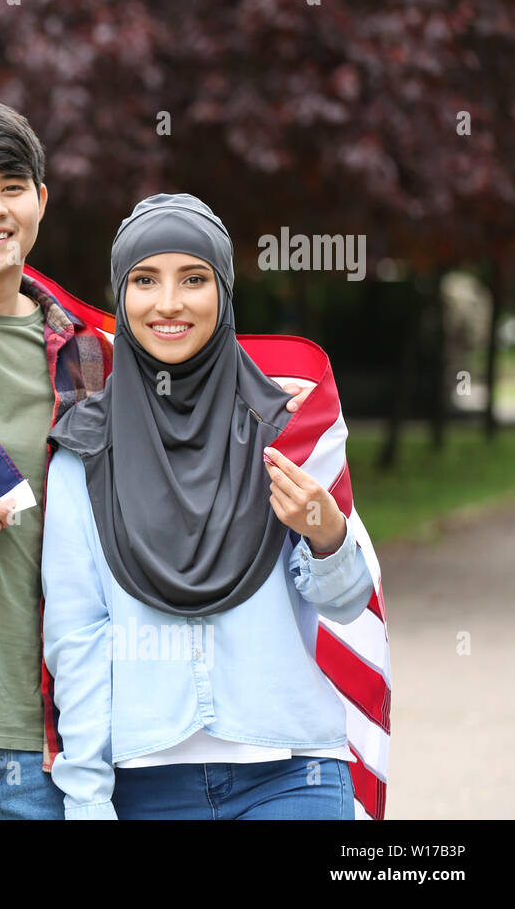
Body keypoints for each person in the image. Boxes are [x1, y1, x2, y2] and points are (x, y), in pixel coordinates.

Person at [0, 108, 313, 819]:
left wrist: (266, 411)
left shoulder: (93, 356)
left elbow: (196, 374)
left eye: (12, 186)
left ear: (41, 200)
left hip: (42, 747)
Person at [41, 193, 374, 819]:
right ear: (122, 296)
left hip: (290, 774)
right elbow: (76, 636)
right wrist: (87, 799)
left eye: (193, 279)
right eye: (145, 280)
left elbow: (348, 602)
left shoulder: (287, 425)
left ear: (222, 293)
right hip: (146, 788)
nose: (168, 303)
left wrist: (327, 535)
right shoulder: (83, 450)